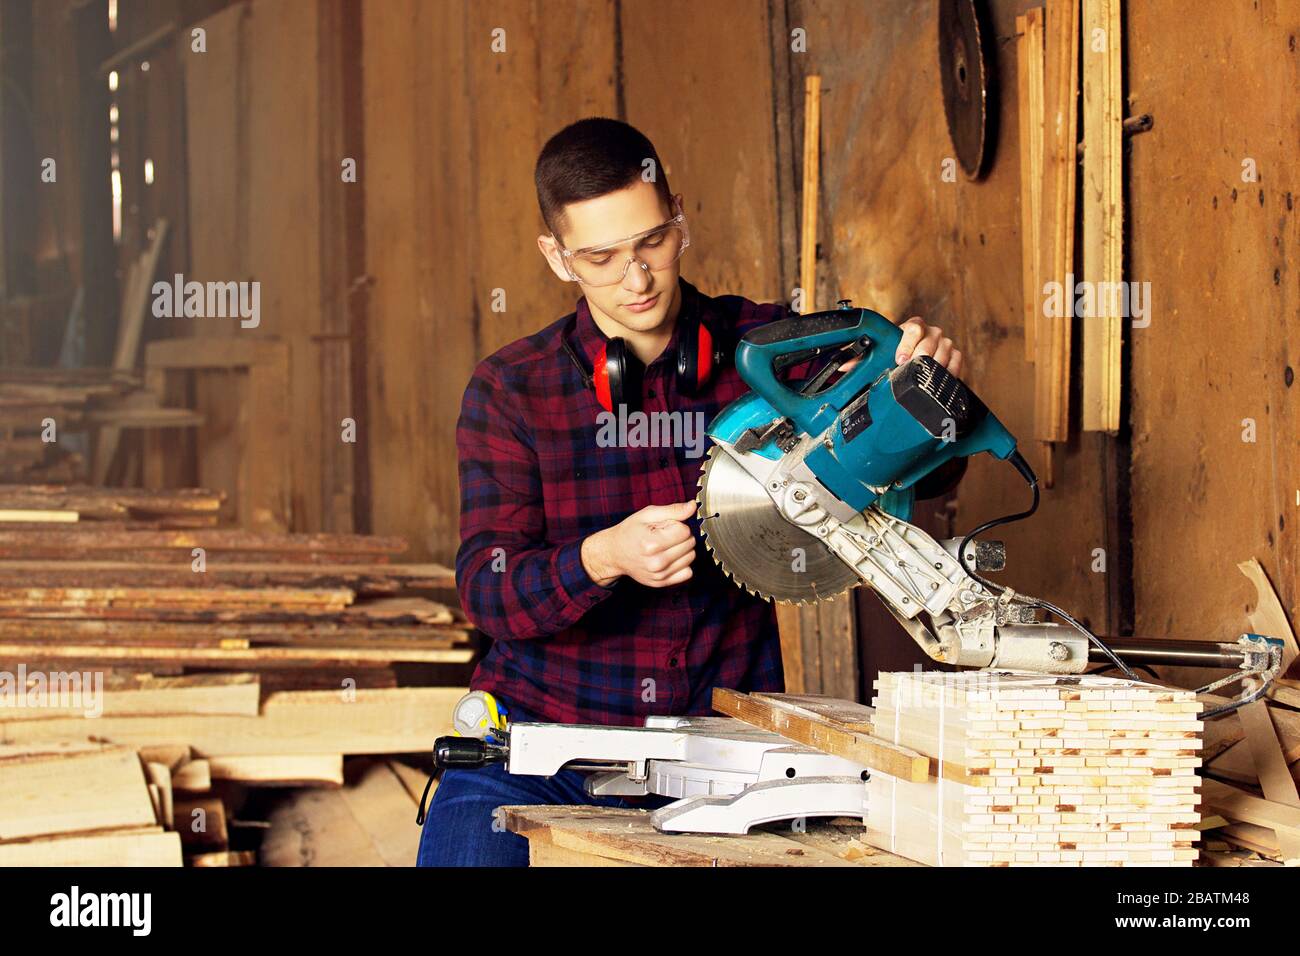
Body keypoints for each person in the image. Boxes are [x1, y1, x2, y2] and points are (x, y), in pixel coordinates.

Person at [417, 117, 963, 866]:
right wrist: (600, 558)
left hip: (725, 755)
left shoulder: (774, 351)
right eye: (601, 257)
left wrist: (924, 400)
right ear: (556, 257)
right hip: (547, 745)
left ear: (680, 217)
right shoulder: (511, 390)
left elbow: (921, 478)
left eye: (651, 243)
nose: (635, 278)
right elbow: (487, 590)